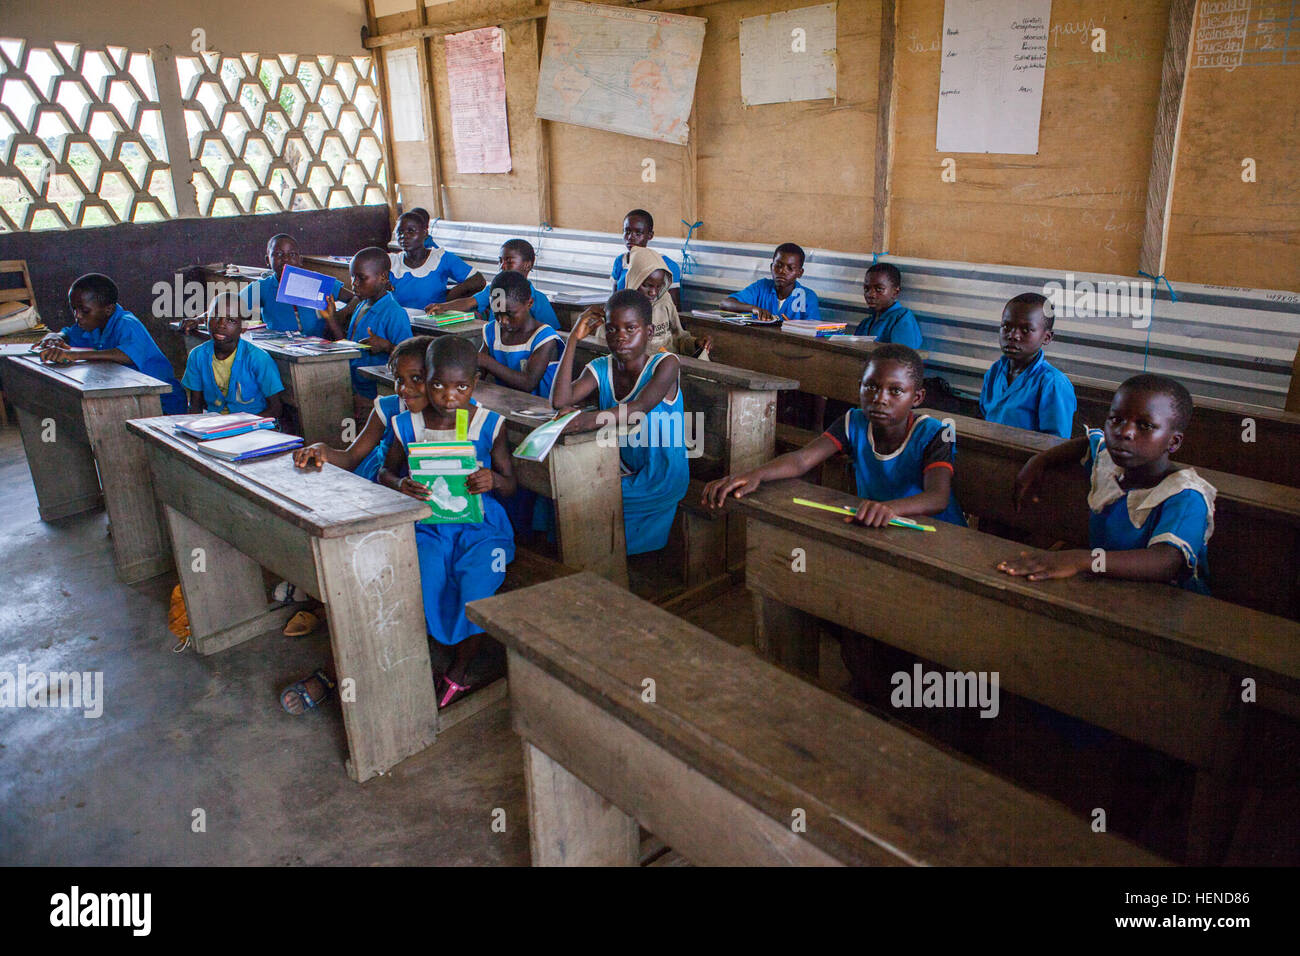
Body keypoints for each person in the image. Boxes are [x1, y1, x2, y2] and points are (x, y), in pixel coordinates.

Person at [379, 335, 517, 707]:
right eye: (437, 384)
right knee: (425, 577)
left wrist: (493, 480)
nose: (448, 396)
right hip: (429, 524)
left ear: (474, 384)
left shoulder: (490, 424)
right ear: (427, 379)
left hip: (482, 527)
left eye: (461, 387)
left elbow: (510, 484)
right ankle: (428, 649)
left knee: (477, 585)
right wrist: (400, 483)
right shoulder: (406, 424)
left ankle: (461, 666)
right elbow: (384, 472)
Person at [997, 373, 1215, 594]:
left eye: (1145, 425)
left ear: (1173, 441)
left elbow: (1165, 562)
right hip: (1110, 588)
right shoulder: (1110, 464)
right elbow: (1088, 444)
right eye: (1116, 419)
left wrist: (1080, 560)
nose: (1124, 432)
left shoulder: (1185, 495)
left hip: (1169, 603)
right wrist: (1038, 462)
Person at [551, 289, 690, 555]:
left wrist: (584, 420)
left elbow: (639, 408)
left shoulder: (666, 364)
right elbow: (560, 400)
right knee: (562, 496)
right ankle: (584, 565)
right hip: (624, 469)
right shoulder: (602, 367)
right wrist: (572, 340)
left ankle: (599, 568)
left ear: (648, 332)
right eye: (612, 329)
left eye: (630, 328)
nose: (620, 337)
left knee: (579, 500)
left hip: (660, 476)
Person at [38, 273, 186, 413]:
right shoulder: (92, 325)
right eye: (74, 309)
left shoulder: (127, 323)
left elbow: (126, 354)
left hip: (163, 403)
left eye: (84, 311)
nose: (78, 316)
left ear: (108, 309)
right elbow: (69, 334)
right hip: (128, 398)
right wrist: (55, 336)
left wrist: (74, 355)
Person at [319, 247, 413, 416]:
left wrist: (386, 346)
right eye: (353, 277)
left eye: (361, 278)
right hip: (353, 385)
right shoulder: (362, 304)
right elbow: (351, 348)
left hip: (375, 393)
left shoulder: (394, 313)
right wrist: (331, 319)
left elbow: (410, 358)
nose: (354, 283)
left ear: (383, 277)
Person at [978, 292, 1076, 439]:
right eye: (1006, 326)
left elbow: (1056, 444)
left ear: (1046, 337)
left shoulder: (1053, 383)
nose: (1013, 335)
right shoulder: (995, 371)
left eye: (1025, 329)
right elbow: (985, 418)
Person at [594, 246, 709, 358]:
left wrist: (695, 343)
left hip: (668, 367)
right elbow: (603, 351)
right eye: (647, 286)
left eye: (659, 286)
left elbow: (679, 339)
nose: (653, 292)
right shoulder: (619, 309)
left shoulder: (665, 300)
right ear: (635, 279)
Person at [181, 294, 284, 417]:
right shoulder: (197, 356)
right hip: (214, 424)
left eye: (231, 320)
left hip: (253, 427)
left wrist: (243, 426)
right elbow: (195, 406)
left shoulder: (258, 358)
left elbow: (276, 409)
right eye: (216, 317)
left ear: (244, 327)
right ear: (207, 318)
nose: (221, 325)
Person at [429, 239, 560, 331]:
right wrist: (442, 306)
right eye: (500, 261)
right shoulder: (495, 290)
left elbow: (552, 332)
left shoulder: (538, 299)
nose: (502, 266)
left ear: (527, 265)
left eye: (509, 262)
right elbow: (469, 302)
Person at [389, 210, 483, 309]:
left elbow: (477, 280)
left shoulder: (440, 258)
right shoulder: (391, 262)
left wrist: (449, 299)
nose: (404, 236)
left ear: (425, 233)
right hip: (401, 321)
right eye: (400, 232)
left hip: (434, 320)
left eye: (411, 231)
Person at [720, 243, 821, 323]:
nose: (782, 271)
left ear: (800, 273)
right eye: (778, 265)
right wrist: (754, 309)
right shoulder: (761, 287)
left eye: (790, 268)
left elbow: (813, 330)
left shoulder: (807, 297)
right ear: (771, 267)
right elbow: (725, 303)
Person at [611, 208, 682, 308]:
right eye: (627, 231)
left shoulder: (666, 264)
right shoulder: (621, 261)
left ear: (650, 235)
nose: (631, 237)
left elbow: (673, 308)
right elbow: (613, 301)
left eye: (638, 233)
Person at [852, 263, 923, 349]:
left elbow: (903, 358)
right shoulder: (866, 323)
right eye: (866, 289)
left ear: (895, 292)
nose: (870, 295)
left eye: (879, 289)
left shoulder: (901, 318)